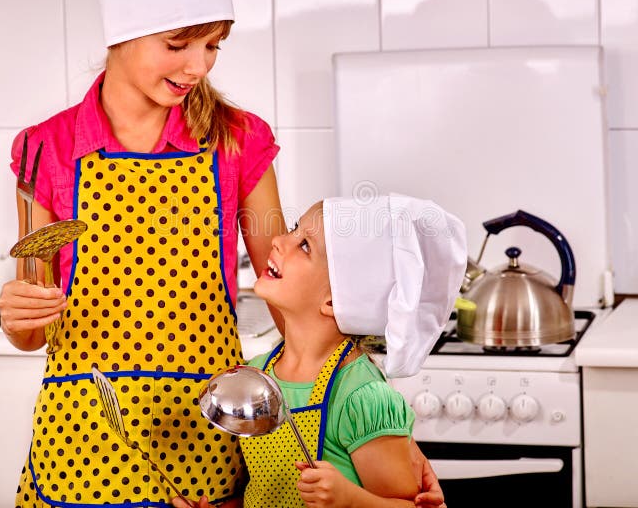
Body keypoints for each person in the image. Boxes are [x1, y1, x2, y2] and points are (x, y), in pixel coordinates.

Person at [0, 0, 284, 506]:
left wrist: (336, 409)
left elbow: (290, 293)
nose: (198, 66)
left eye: (213, 45)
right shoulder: (43, 149)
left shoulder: (237, 140)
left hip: (208, 429)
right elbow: (33, 321)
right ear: (120, 33)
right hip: (84, 440)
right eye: (177, 44)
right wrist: (20, 318)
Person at [176, 194, 466, 508]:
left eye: (304, 245)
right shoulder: (260, 373)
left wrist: (350, 500)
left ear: (334, 300)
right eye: (293, 229)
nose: (277, 241)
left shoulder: (361, 396)